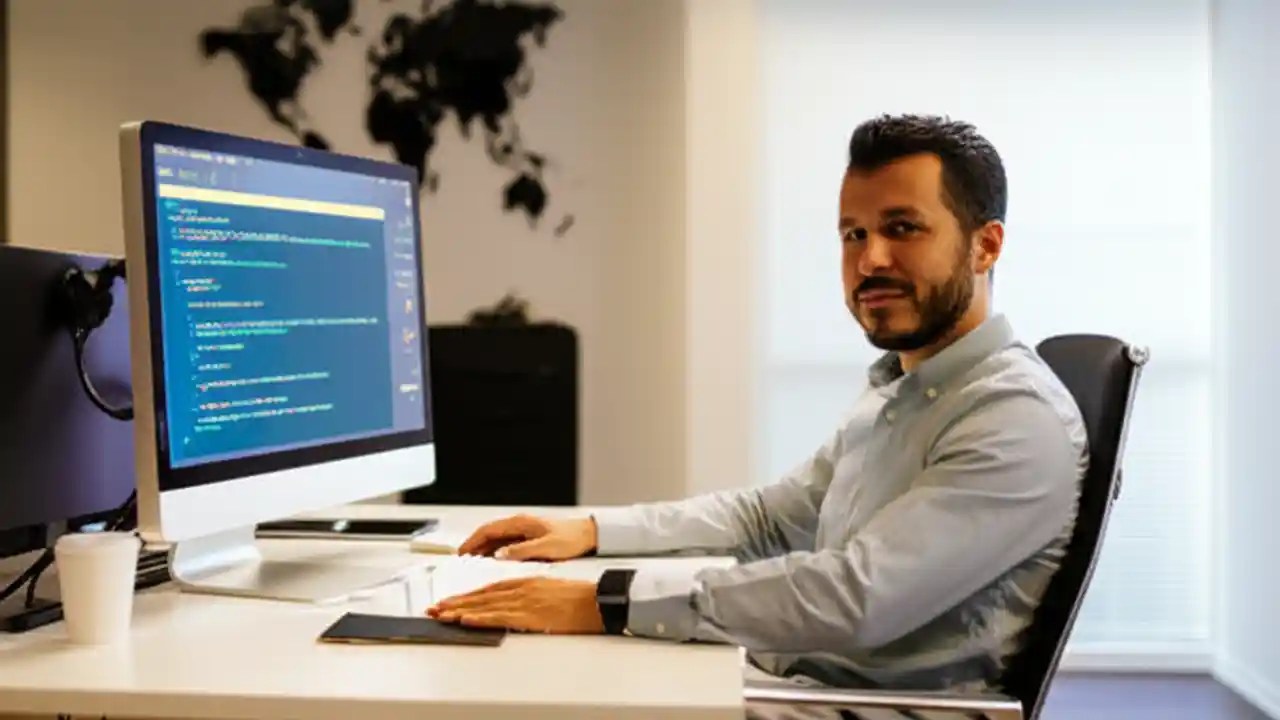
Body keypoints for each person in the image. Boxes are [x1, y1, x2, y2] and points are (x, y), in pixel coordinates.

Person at [428, 114, 1088, 719]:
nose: (870, 259)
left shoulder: (1012, 417)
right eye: (853, 233)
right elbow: (769, 518)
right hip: (798, 682)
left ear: (986, 246)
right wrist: (592, 531)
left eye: (902, 228)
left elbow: (855, 597)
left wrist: (607, 600)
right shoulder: (904, 388)